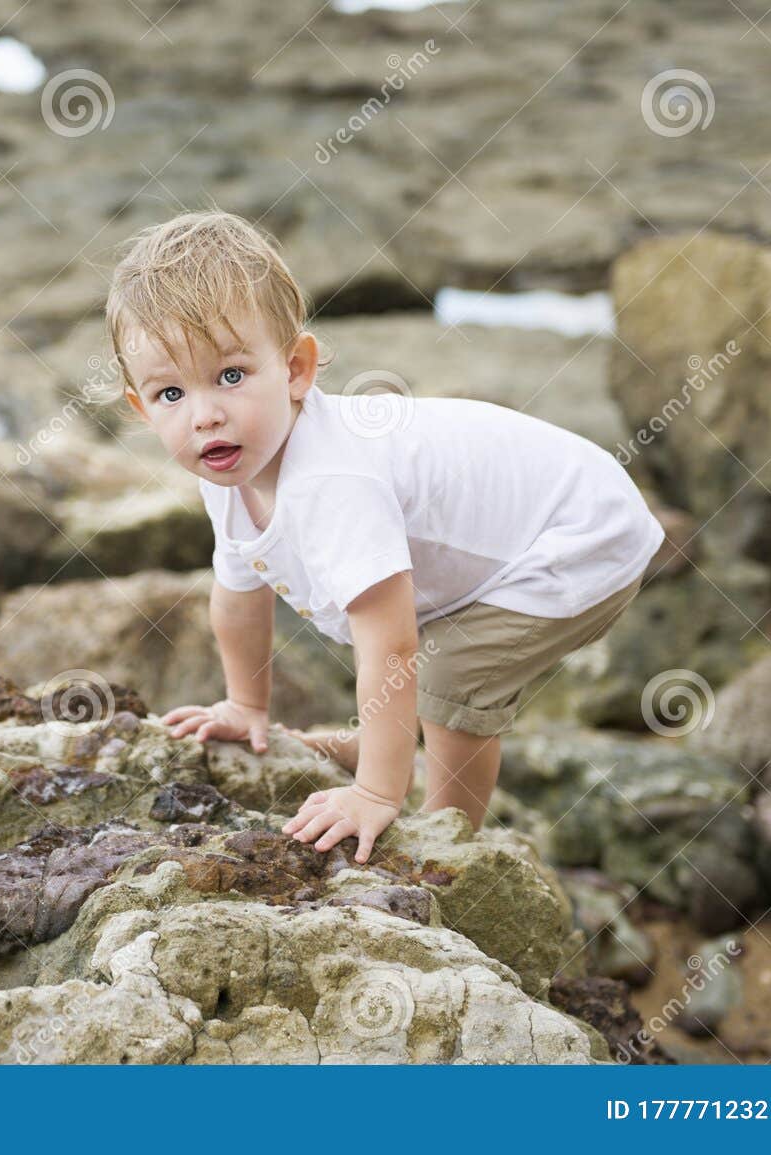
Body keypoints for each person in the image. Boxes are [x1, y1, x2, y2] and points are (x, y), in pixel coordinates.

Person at [107, 210, 664, 863]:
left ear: (296, 369)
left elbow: (392, 645)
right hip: (515, 527)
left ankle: (445, 842)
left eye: (231, 375)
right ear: (141, 408)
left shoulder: (333, 480)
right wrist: (244, 705)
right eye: (171, 393)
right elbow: (237, 596)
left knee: (452, 676)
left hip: (580, 531)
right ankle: (390, 743)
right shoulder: (229, 464)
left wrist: (375, 792)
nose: (205, 415)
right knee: (426, 651)